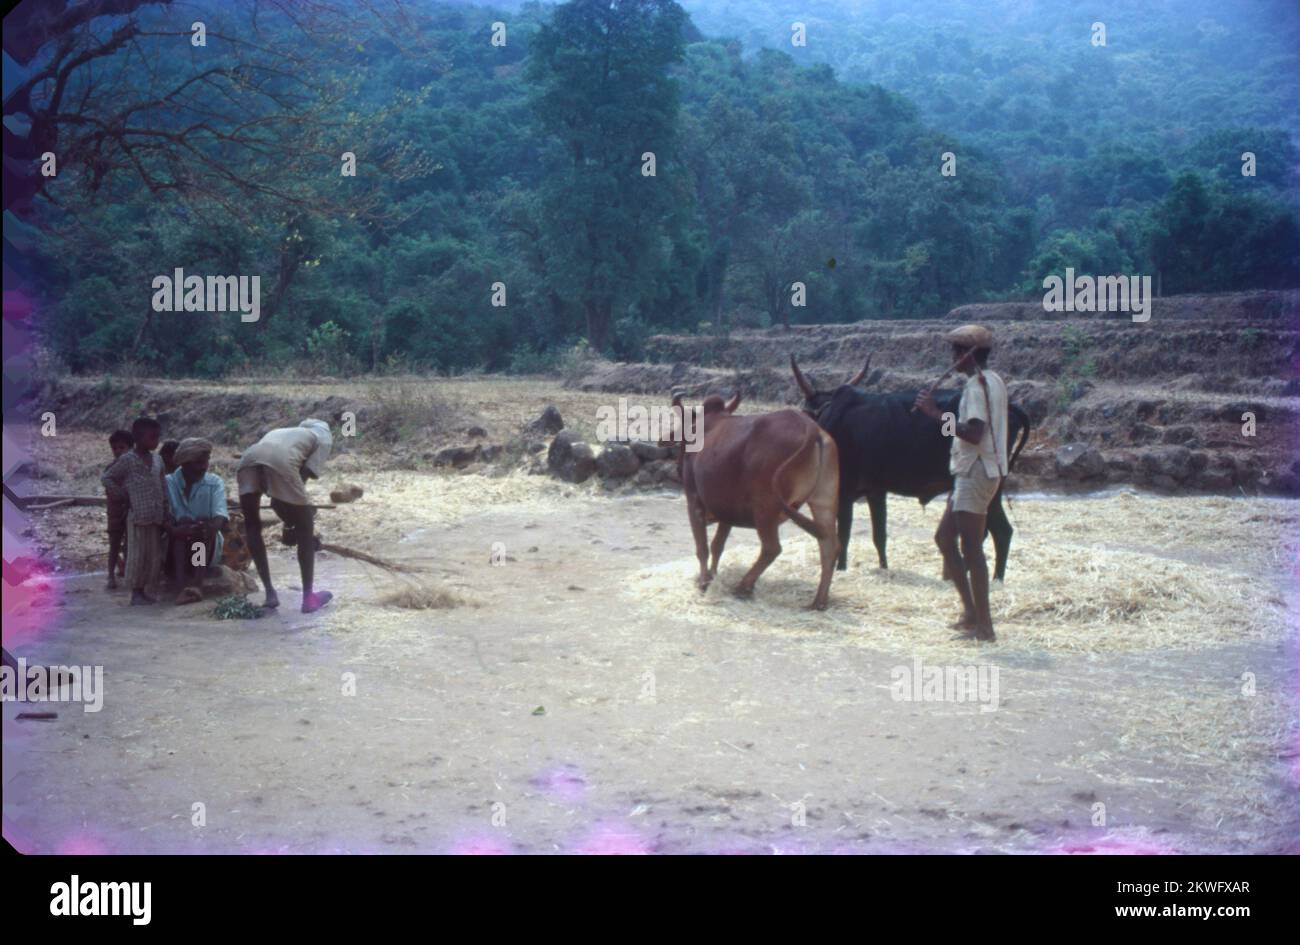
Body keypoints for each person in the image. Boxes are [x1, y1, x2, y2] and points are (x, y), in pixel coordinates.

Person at [913, 324, 1008, 642]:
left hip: (976, 471)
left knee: (972, 549)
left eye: (956, 351)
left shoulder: (975, 388)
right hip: (973, 469)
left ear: (969, 353)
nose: (952, 357)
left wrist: (934, 414)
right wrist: (940, 418)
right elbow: (963, 432)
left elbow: (973, 434)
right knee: (944, 538)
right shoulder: (993, 380)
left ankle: (985, 628)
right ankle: (970, 614)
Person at [235, 419, 334, 613]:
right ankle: (309, 598)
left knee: (252, 525)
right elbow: (298, 484)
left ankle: (270, 594)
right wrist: (300, 527)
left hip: (247, 460)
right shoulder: (322, 438)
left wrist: (288, 525)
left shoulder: (284, 432)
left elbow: (277, 499)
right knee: (306, 525)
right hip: (279, 462)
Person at [102, 417, 170, 605]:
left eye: (158, 437)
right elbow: (107, 478)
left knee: (152, 556)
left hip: (155, 517)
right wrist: (123, 494)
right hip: (138, 517)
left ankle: (146, 590)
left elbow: (163, 487)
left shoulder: (158, 460)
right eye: (152, 437)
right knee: (137, 555)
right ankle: (136, 593)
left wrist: (166, 510)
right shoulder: (128, 460)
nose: (156, 441)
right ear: (138, 438)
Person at [164, 438, 228, 604]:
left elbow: (220, 516)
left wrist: (208, 528)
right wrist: (175, 530)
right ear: (184, 463)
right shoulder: (168, 482)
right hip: (174, 549)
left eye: (206, 461)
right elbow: (163, 517)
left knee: (200, 529)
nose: (204, 467)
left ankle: (197, 585)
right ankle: (181, 587)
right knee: (182, 526)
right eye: (198, 462)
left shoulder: (214, 483)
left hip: (202, 548)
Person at [104, 429, 133, 590]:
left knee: (129, 544)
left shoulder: (133, 468)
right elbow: (111, 493)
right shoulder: (110, 469)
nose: (118, 451)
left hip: (130, 512)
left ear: (130, 448)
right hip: (115, 513)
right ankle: (110, 575)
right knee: (114, 544)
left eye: (122, 447)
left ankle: (128, 571)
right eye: (114, 448)